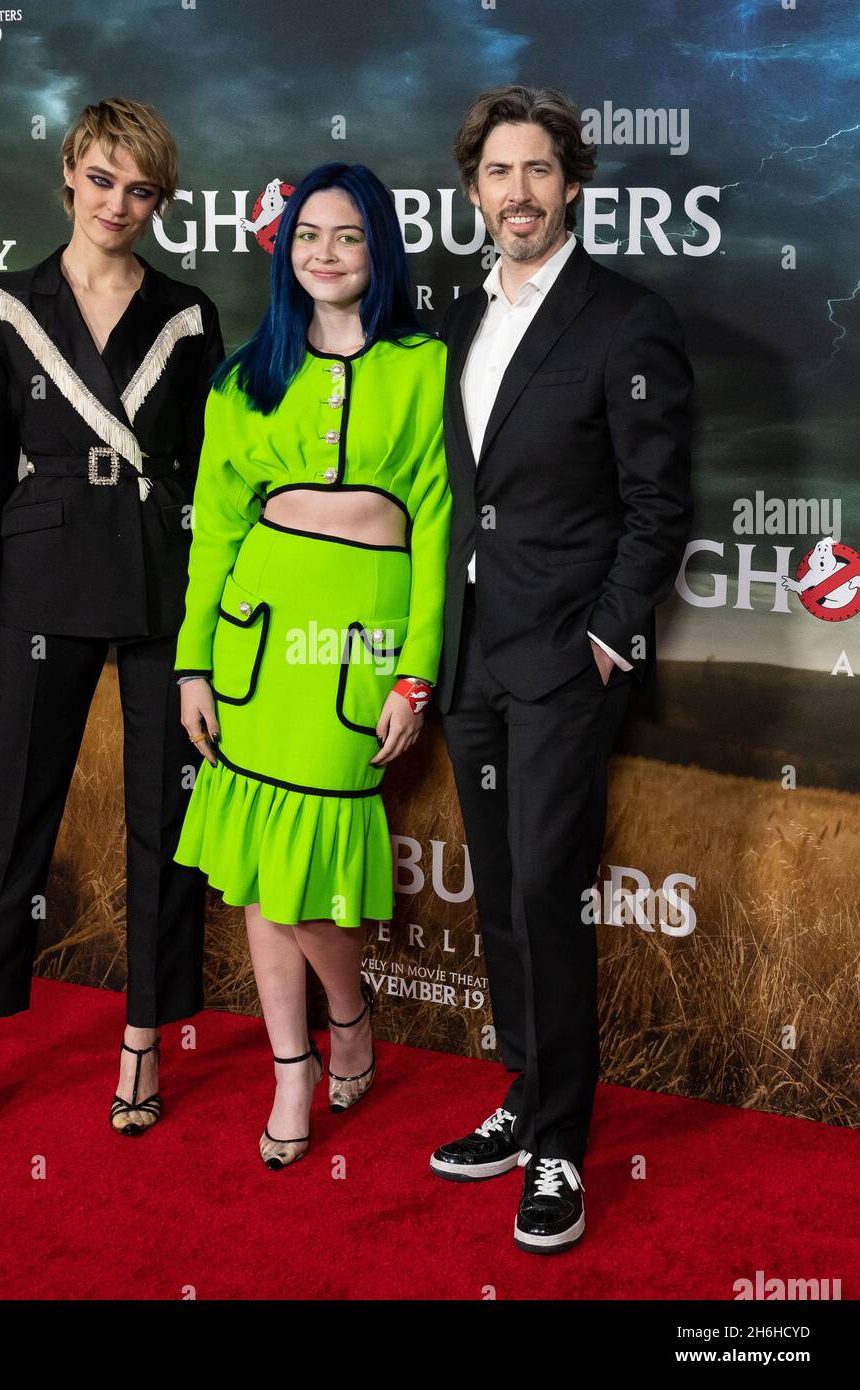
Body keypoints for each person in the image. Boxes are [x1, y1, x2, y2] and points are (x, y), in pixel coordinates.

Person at [429, 85, 693, 1251]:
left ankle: (560, 1148)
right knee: (497, 892)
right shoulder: (454, 313)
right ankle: (523, 1094)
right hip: (469, 657)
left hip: (560, 659)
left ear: (569, 184)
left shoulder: (621, 319)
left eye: (537, 171)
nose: (517, 192)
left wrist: (603, 637)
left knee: (544, 888)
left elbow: (656, 504)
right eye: (497, 172)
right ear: (474, 188)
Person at [0, 97, 224, 1137]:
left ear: (158, 200)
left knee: (164, 826)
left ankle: (142, 1040)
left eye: (139, 189)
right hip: (40, 580)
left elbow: (209, 474)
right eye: (101, 179)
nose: (117, 203)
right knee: (8, 814)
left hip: (156, 582)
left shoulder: (187, 313)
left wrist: (204, 630)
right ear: (68, 174)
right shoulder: (6, 301)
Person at [172, 162, 452, 1169]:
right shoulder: (242, 378)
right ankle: (291, 1067)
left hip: (356, 643)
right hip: (255, 639)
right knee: (257, 880)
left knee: (305, 887)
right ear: (282, 253)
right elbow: (214, 533)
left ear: (377, 250)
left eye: (344, 236)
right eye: (304, 237)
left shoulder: (428, 368)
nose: (323, 254)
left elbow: (440, 527)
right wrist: (193, 662)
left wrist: (414, 674)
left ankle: (350, 1008)